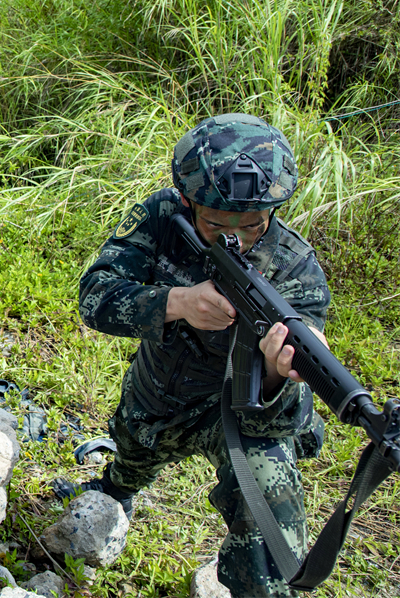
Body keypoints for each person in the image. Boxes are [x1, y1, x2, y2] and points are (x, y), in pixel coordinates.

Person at [56, 113, 331, 596]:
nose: (239, 239)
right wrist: (175, 302)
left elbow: (282, 412)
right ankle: (120, 490)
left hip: (237, 412)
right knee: (133, 450)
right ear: (187, 201)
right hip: (158, 390)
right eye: (218, 226)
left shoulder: (295, 268)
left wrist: (277, 369)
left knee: (269, 510)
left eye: (253, 225)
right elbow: (94, 296)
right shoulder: (163, 217)